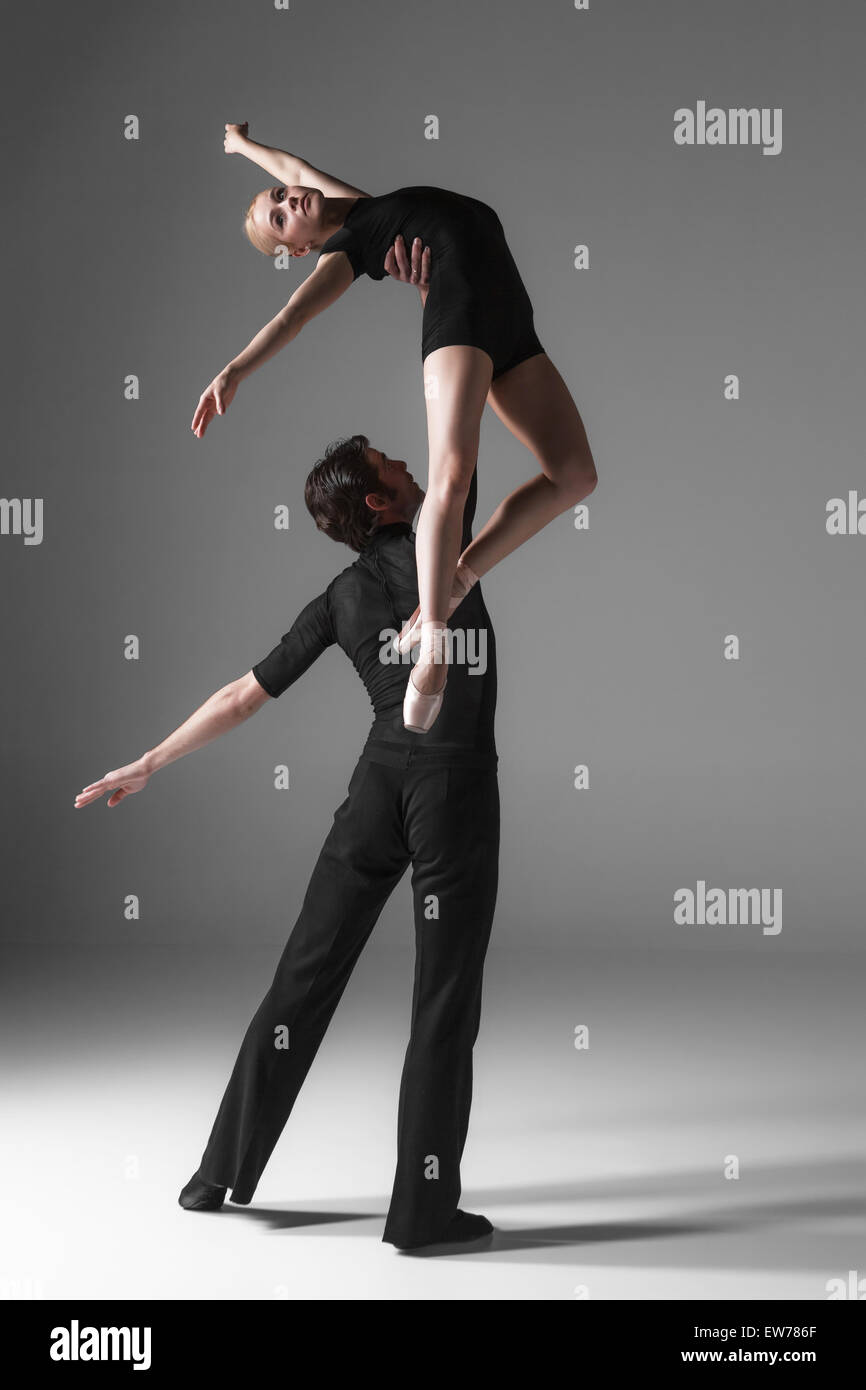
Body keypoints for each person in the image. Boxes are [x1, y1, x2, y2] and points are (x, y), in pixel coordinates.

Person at [74, 440, 500, 1253]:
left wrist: (151, 763)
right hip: (453, 786)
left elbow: (244, 694)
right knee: (444, 999)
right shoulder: (440, 538)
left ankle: (218, 1172)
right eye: (389, 462)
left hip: (379, 788)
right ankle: (422, 1213)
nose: (408, 461)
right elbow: (463, 432)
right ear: (379, 502)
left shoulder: (340, 597)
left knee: (303, 975)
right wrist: (452, 314)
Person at [190, 122, 598, 733]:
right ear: (298, 250)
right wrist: (235, 369)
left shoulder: (362, 208)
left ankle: (458, 575)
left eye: (279, 195)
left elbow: (293, 167)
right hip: (457, 316)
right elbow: (293, 315)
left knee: (574, 475)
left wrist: (244, 148)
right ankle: (433, 648)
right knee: (453, 471)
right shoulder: (348, 245)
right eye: (277, 218)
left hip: (510, 317)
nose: (286, 200)